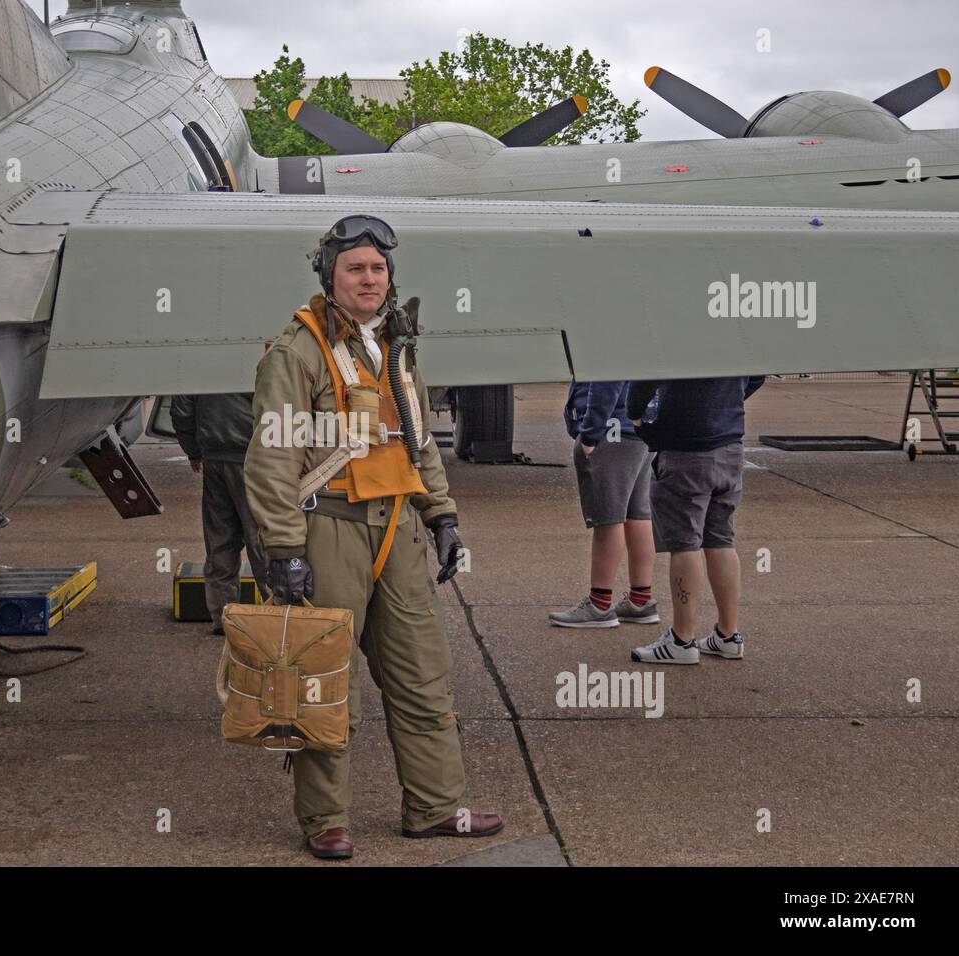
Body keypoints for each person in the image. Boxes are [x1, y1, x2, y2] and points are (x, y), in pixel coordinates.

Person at [244, 215, 502, 859]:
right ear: (329, 277)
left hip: (400, 529)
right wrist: (282, 549)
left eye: (377, 269)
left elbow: (417, 442)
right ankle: (326, 820)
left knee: (424, 676)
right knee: (324, 682)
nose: (368, 278)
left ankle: (435, 806)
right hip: (329, 527)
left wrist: (443, 517)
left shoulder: (395, 349)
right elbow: (271, 458)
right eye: (355, 268)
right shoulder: (294, 353)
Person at [626, 376, 766, 663]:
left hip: (684, 445)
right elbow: (757, 374)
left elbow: (644, 378)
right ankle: (728, 635)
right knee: (721, 539)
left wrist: (637, 417)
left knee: (685, 544)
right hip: (729, 443)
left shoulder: (678, 330)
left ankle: (682, 639)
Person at [551, 380, 659, 628]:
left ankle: (599, 605)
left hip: (613, 431)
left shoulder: (607, 342)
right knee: (638, 515)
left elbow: (606, 383)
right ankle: (640, 600)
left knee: (608, 518)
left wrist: (590, 433)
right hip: (640, 431)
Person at [171, 393, 268, 635]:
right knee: (263, 541)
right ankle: (277, 612)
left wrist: (193, 450)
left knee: (220, 541)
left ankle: (223, 618)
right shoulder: (262, 356)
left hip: (214, 457)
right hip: (255, 457)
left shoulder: (198, 358)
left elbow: (181, 408)